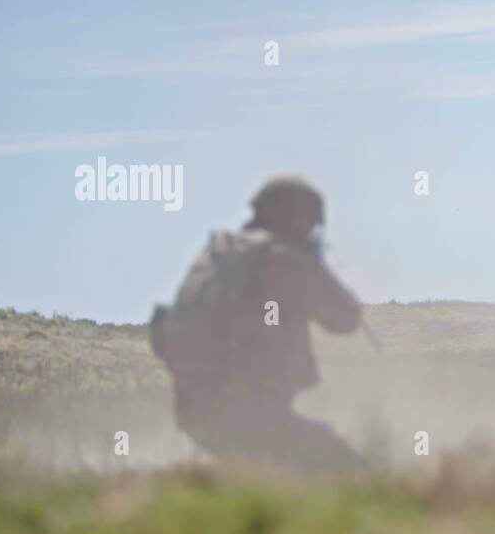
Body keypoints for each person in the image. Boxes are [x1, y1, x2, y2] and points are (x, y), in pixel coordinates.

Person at [150, 175, 362, 469]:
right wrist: (315, 265)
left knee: (268, 472)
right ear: (295, 218)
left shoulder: (222, 254)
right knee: (347, 470)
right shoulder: (278, 257)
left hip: (194, 411)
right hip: (246, 412)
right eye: (310, 224)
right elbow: (344, 318)